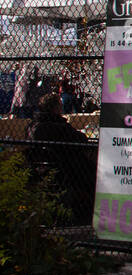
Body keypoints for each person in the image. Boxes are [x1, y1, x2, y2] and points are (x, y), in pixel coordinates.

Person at [27, 92, 97, 223]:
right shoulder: (58, 127)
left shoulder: (32, 127)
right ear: (56, 108)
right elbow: (81, 140)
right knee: (92, 170)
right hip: (66, 168)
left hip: (43, 167)